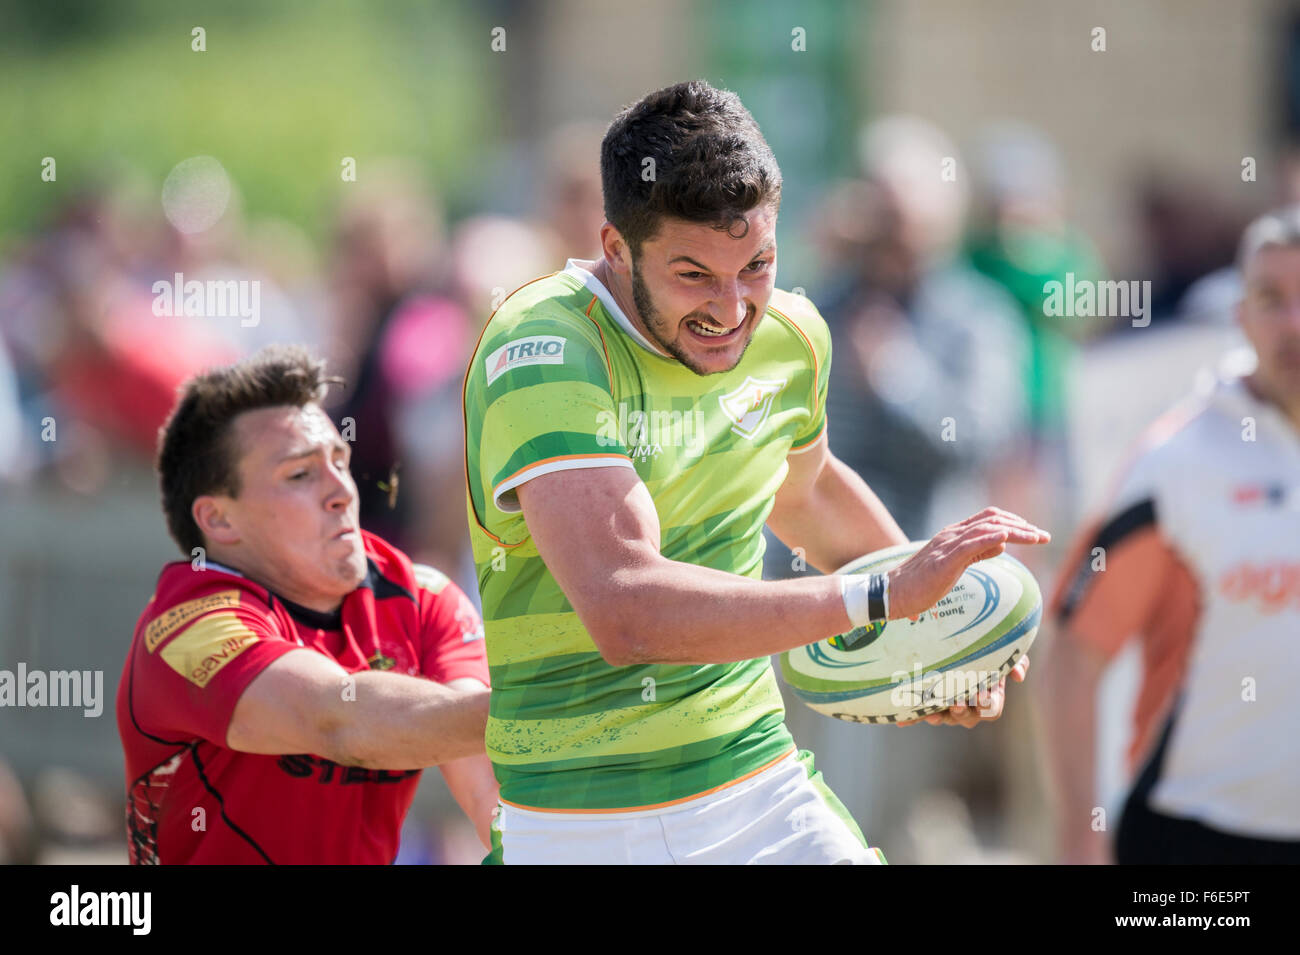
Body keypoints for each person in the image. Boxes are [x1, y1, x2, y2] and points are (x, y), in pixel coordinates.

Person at [462, 80, 1049, 865]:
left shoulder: (792, 334)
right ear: (615, 247)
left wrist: (932, 638)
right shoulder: (542, 345)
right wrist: (877, 596)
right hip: (580, 817)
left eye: (757, 265)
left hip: (756, 780)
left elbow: (804, 490)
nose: (734, 307)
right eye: (694, 274)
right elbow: (625, 609)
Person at [116, 346, 498, 864]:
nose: (342, 490)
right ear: (219, 521)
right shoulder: (187, 628)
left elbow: (488, 782)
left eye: (339, 461)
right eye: (300, 475)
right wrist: (562, 701)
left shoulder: (423, 598)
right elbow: (339, 721)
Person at [1042, 204, 1300, 864]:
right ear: (1240, 316)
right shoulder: (1178, 463)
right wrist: (1080, 833)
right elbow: (1074, 649)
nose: (1293, 323)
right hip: (1197, 840)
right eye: (1272, 298)